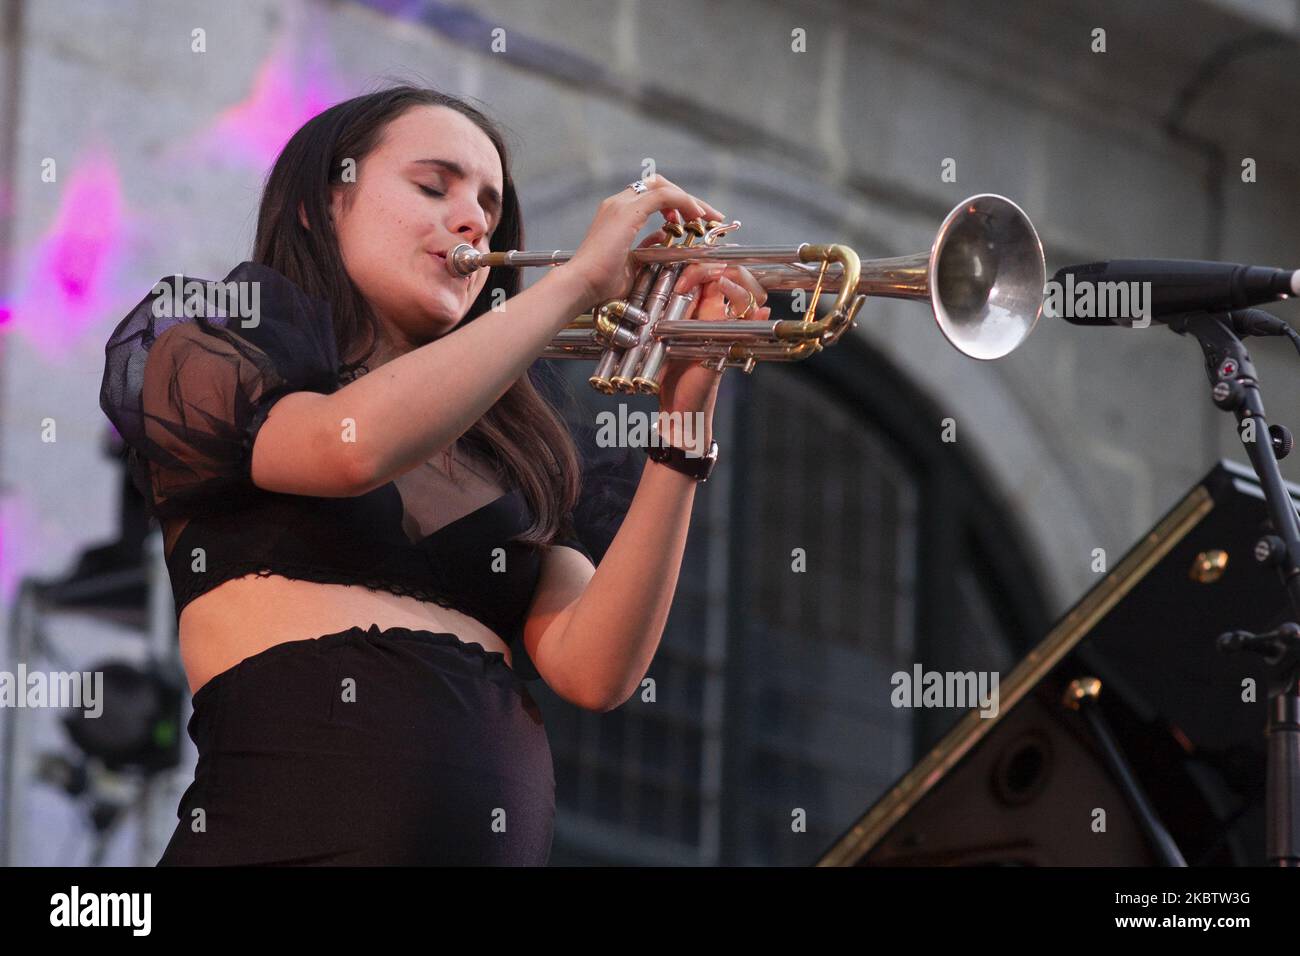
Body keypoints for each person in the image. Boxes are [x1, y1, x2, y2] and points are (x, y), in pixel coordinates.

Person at [99, 85, 770, 865]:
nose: (473, 221)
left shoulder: (517, 450)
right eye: (432, 186)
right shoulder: (210, 351)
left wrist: (684, 422)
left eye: (489, 203)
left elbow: (595, 669)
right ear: (320, 204)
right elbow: (348, 448)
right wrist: (582, 280)